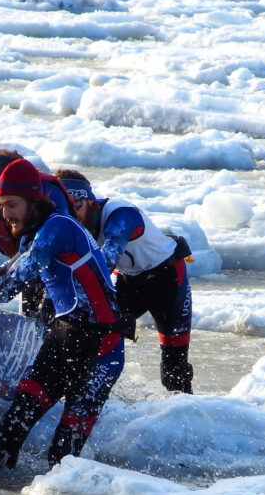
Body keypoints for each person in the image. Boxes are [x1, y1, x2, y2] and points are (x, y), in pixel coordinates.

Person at [0, 159, 127, 470]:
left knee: (62, 463)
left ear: (33, 201)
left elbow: (5, 287)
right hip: (63, 341)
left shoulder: (57, 230)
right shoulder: (41, 232)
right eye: (1, 206)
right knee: (5, 441)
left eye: (12, 205)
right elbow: (6, 270)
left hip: (101, 352)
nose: (5, 214)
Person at [55, 169, 194, 394]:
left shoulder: (120, 214)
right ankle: (86, 392)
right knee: (90, 331)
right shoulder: (71, 221)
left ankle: (185, 419)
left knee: (174, 369)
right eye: (64, 209)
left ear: (91, 201)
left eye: (76, 205)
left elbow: (105, 262)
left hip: (168, 280)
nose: (72, 215)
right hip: (131, 283)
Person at [0, 149, 77, 281]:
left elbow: (40, 251)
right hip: (24, 258)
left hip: (55, 261)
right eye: (2, 202)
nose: (5, 212)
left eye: (11, 204)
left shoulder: (48, 194)